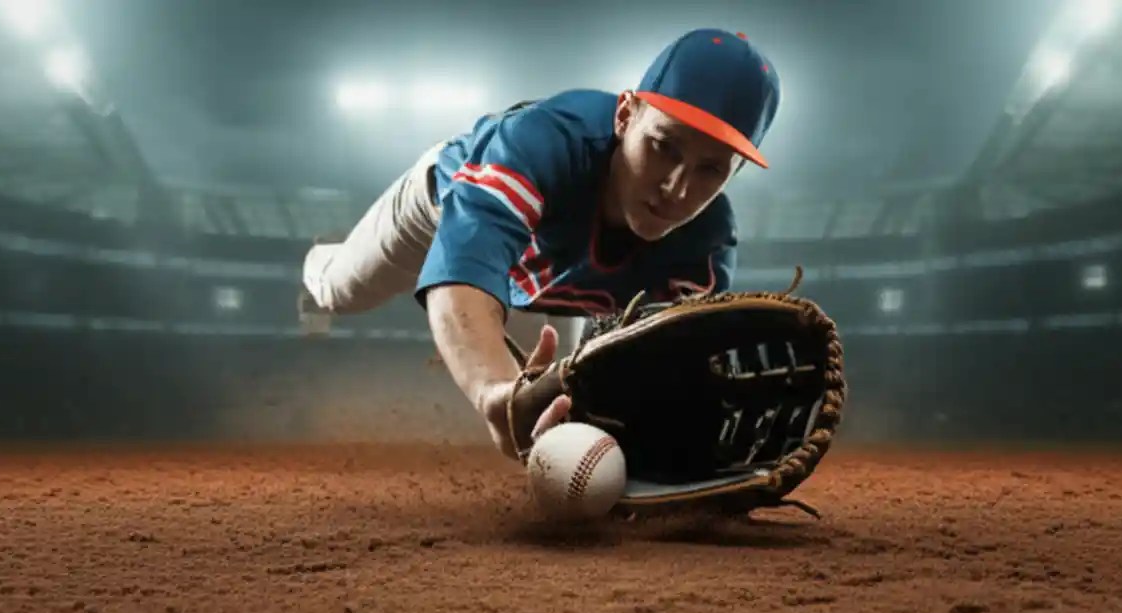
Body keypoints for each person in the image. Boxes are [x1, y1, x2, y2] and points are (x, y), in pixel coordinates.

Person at [300, 28, 781, 459]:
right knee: (342, 291)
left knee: (553, 408)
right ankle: (323, 261)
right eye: (664, 145)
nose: (677, 187)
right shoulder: (542, 144)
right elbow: (462, 275)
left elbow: (654, 372)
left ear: (733, 173)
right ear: (624, 115)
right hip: (442, 210)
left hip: (549, 291)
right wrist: (494, 391)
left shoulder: (706, 252)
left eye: (710, 169)